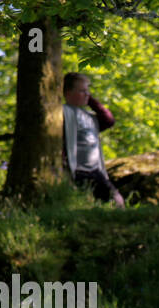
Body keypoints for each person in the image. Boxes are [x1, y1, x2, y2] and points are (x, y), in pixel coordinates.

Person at [62, 72, 124, 208]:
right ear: (68, 92)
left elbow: (108, 120)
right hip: (78, 171)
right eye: (82, 91)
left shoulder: (90, 116)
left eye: (88, 91)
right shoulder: (64, 113)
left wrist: (91, 100)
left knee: (117, 201)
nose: (87, 94)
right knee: (88, 203)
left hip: (95, 171)